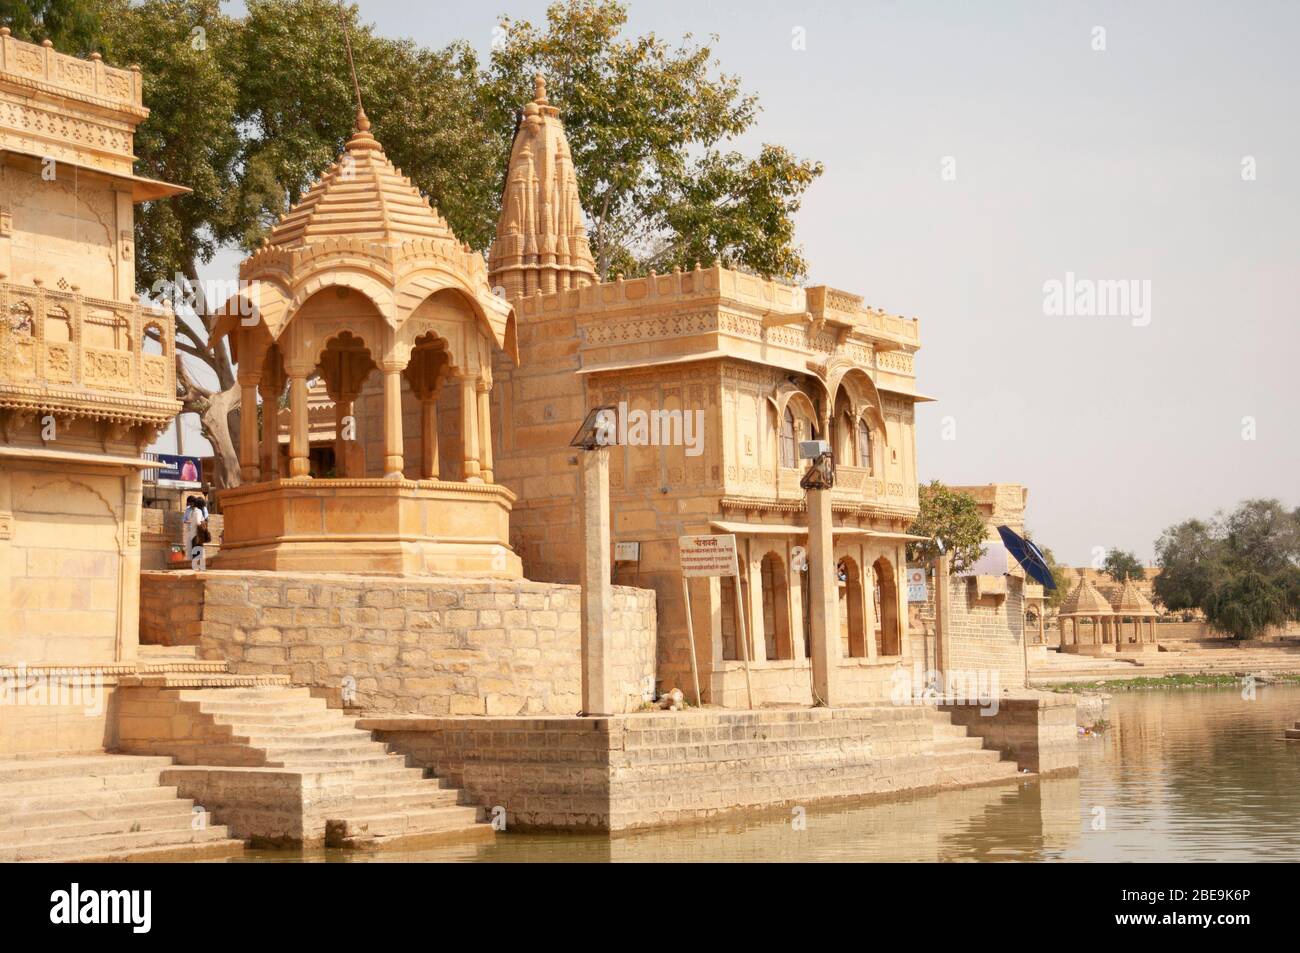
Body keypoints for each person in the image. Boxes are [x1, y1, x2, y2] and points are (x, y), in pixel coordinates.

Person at [182, 495, 210, 560]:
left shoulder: (198, 511)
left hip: (196, 531)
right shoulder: (191, 510)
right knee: (196, 547)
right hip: (195, 531)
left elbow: (201, 521)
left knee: (195, 547)